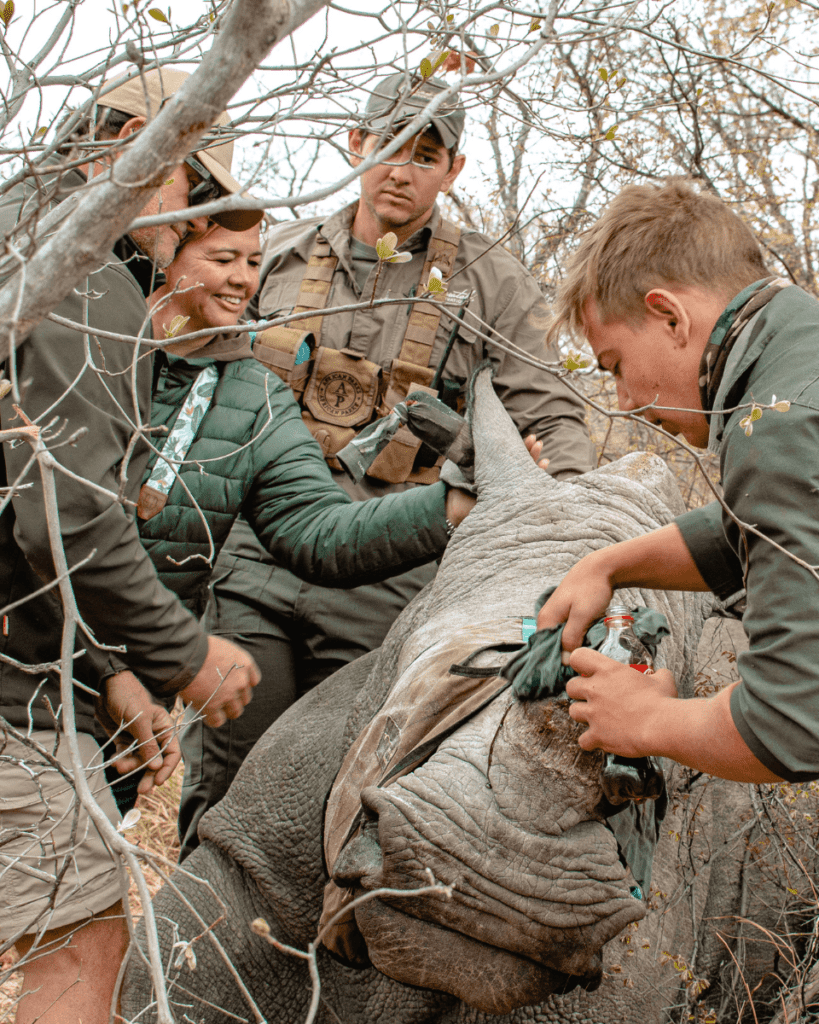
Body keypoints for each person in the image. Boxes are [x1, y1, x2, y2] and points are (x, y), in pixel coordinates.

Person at [177, 71, 597, 857]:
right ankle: (192, 969)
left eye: (427, 155)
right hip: (256, 566)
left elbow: (548, 411)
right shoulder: (273, 255)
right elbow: (185, 369)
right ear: (356, 144)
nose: (402, 169)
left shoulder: (487, 281)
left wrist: (578, 534)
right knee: (224, 794)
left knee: (340, 799)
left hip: (388, 581)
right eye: (390, 146)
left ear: (454, 171)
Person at [0, 68, 263, 1024]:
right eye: (195, 194)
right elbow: (63, 517)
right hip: (11, 703)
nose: (194, 227)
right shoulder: (85, 272)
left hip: (43, 671)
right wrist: (179, 654)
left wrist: (108, 667)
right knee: (82, 944)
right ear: (140, 147)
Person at [537, 176, 819, 785]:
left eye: (616, 366)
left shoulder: (777, 428)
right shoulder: (800, 359)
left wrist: (646, 719)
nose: (627, 400)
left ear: (668, 316)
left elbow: (791, 725)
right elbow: (757, 531)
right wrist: (607, 565)